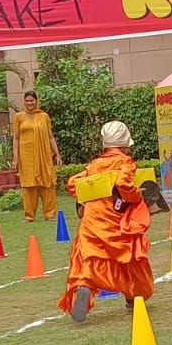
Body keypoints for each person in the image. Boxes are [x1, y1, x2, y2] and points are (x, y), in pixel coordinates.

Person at [58, 121, 153, 322]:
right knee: (129, 258)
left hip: (92, 220)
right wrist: (136, 196)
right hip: (115, 219)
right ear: (125, 143)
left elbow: (72, 184)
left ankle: (85, 285)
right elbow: (123, 184)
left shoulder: (94, 165)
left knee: (92, 259)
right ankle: (133, 296)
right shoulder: (124, 162)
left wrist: (87, 199)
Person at [12, 90, 63, 222]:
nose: (29, 103)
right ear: (24, 102)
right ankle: (29, 216)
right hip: (26, 157)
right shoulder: (19, 117)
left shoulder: (44, 116)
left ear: (36, 101)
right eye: (27, 100)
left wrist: (57, 154)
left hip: (44, 155)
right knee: (28, 185)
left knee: (47, 183)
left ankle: (50, 214)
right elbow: (16, 138)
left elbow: (50, 137)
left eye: (32, 100)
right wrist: (15, 158)